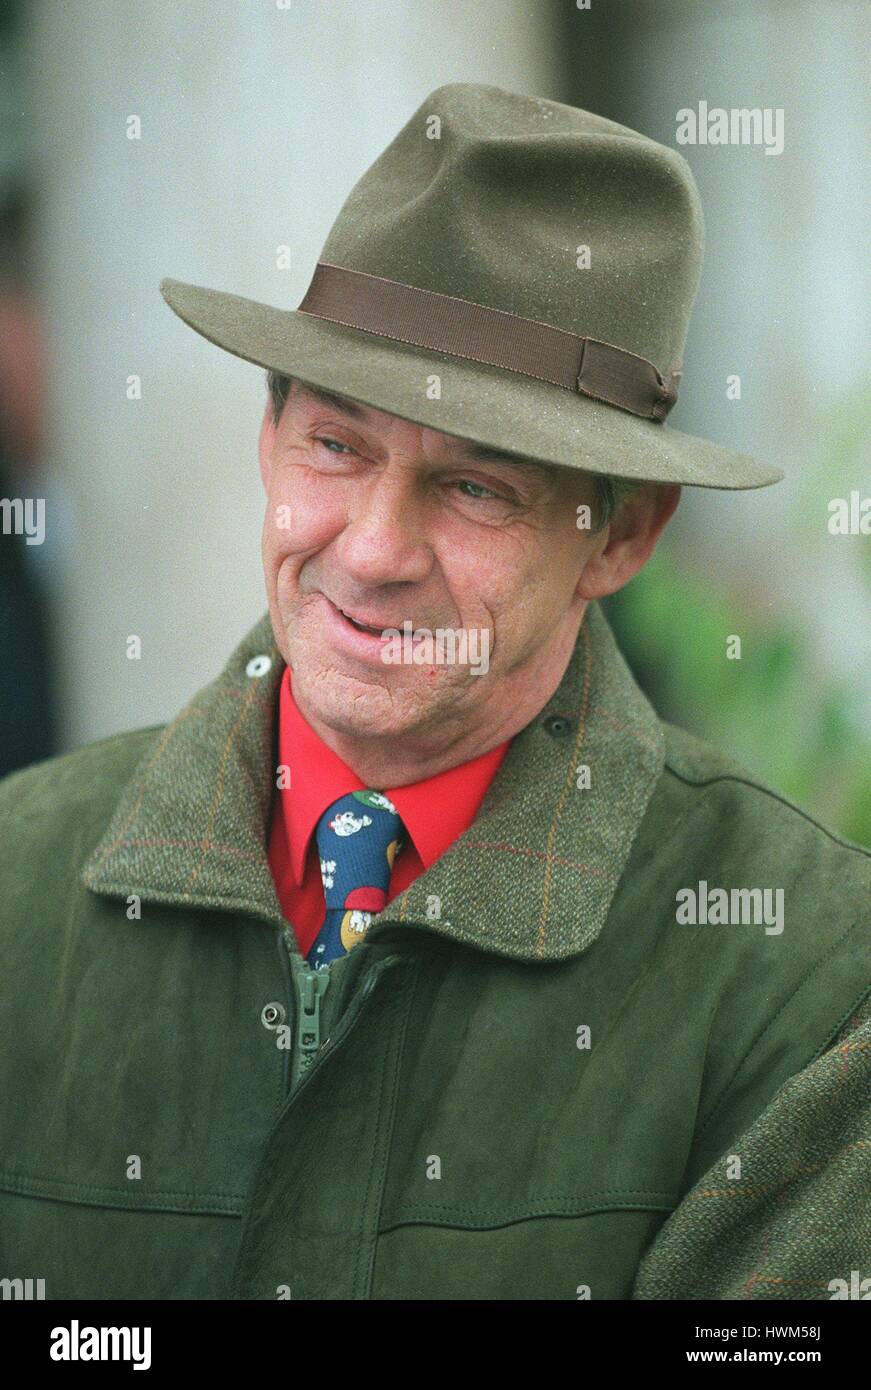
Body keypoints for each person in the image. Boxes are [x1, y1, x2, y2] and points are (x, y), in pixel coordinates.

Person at [0, 84, 868, 1301]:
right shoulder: (16, 879)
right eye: (337, 446)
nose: (369, 550)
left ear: (620, 540)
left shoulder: (806, 968)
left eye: (475, 488)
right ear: (268, 442)